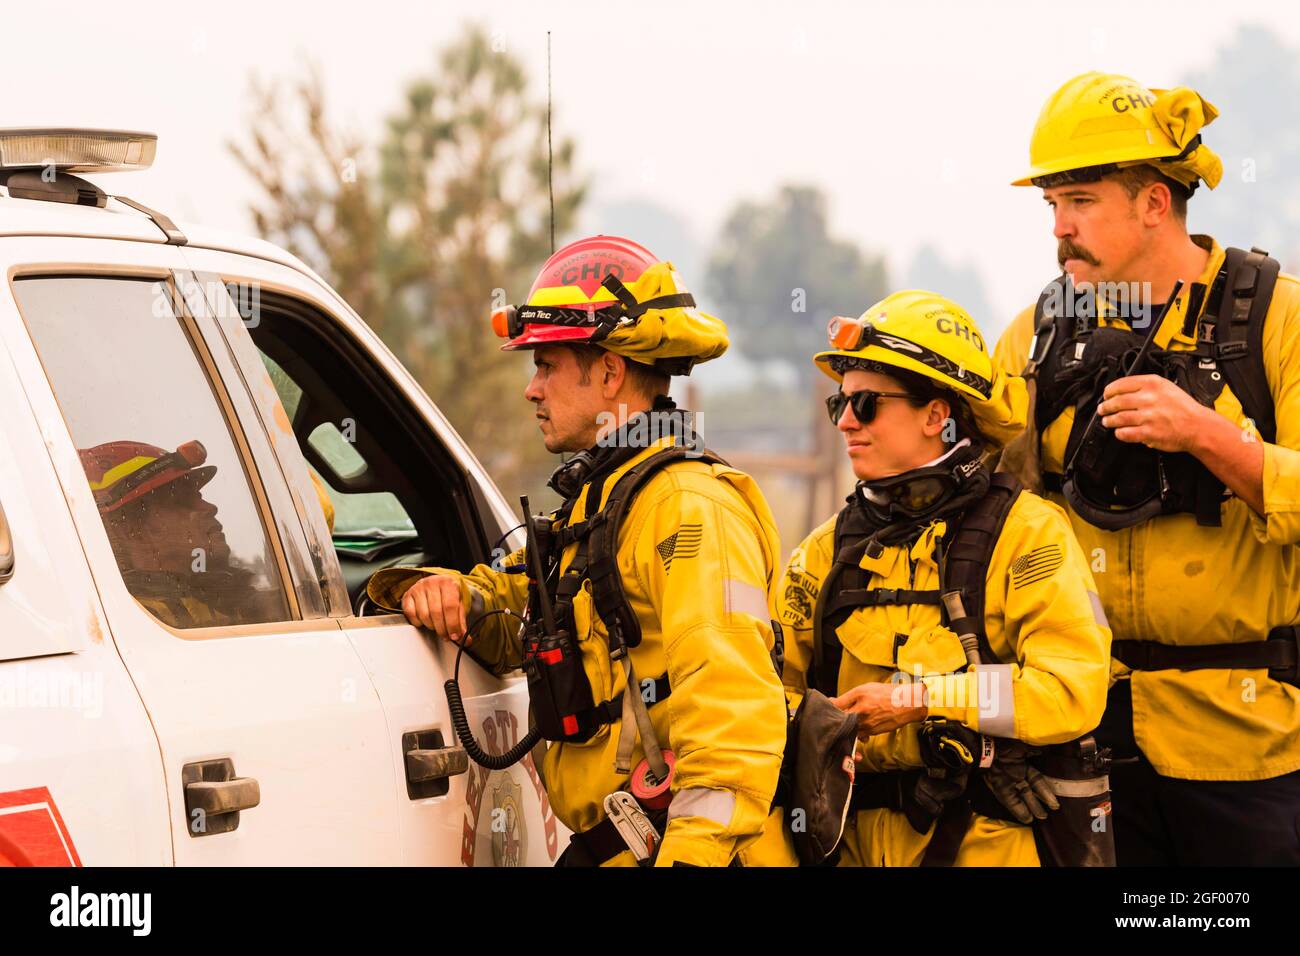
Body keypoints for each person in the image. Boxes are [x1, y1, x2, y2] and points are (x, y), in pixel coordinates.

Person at [367, 235, 791, 867]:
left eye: (547, 366)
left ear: (611, 371)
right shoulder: (604, 502)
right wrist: (440, 591)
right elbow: (530, 611)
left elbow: (734, 724)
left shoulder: (688, 507)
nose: (531, 389)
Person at [994, 71, 1300, 865]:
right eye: (1052, 205)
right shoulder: (1036, 335)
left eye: (1083, 201)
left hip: (1246, 747)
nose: (1060, 229)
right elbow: (984, 502)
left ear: (1155, 202)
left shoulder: (1276, 320)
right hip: (1080, 739)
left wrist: (1208, 437)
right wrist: (895, 389)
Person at [776, 290, 1111, 866]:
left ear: (937, 414)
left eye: (868, 405)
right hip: (847, 847)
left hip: (984, 846)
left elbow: (1071, 692)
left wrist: (927, 701)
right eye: (841, 405)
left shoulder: (1029, 533)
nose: (847, 422)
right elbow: (768, 693)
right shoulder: (821, 553)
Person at [78, 438, 289, 628]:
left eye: (199, 496)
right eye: (183, 500)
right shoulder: (137, 624)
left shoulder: (213, 597)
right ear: (131, 530)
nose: (209, 508)